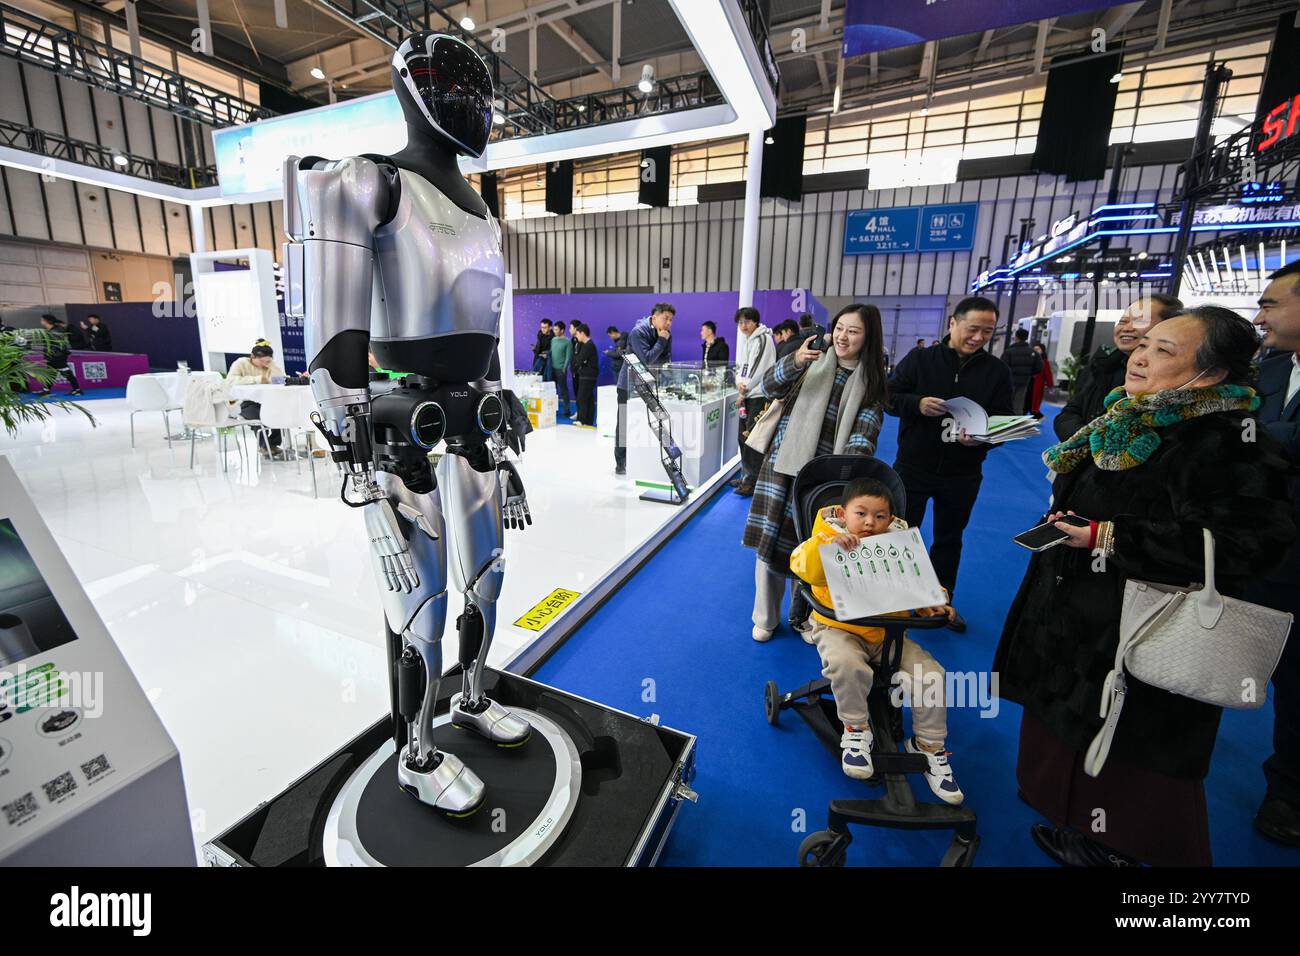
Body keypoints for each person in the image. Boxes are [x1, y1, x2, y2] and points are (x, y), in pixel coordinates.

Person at [996, 306, 1294, 867]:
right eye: (1146, 343)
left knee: (1132, 737)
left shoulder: (1226, 439)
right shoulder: (1130, 416)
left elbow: (1254, 541)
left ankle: (1120, 848)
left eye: (1164, 351)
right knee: (1069, 716)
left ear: (1208, 374)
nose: (1140, 355)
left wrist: (1112, 537)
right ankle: (1065, 807)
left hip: (1142, 621)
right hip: (1075, 610)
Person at [790, 477, 962, 802]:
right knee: (846, 665)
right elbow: (803, 568)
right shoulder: (826, 537)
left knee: (931, 676)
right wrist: (826, 546)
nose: (870, 522)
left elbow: (918, 580)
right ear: (844, 513)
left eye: (880, 516)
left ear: (889, 517)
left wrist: (936, 602)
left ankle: (929, 746)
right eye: (861, 513)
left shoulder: (897, 544)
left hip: (889, 635)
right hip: (839, 629)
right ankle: (856, 729)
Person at [742, 303, 888, 642]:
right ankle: (764, 617)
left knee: (812, 547)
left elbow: (864, 434)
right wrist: (794, 362)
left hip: (825, 478)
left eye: (853, 331)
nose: (843, 336)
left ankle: (803, 616)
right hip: (782, 464)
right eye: (840, 328)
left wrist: (843, 472)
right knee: (770, 544)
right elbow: (768, 385)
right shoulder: (810, 358)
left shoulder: (871, 383)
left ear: (868, 338)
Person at [886, 297, 1013, 633]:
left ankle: (939, 602)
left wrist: (983, 436)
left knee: (949, 539)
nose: (979, 337)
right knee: (899, 535)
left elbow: (1007, 421)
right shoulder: (920, 359)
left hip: (963, 472)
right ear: (953, 324)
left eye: (988, 331)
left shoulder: (996, 371)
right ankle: (894, 601)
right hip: (913, 465)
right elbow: (888, 397)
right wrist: (917, 404)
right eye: (973, 329)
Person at [1249, 260, 1300, 847]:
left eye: (1272, 303)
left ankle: (1288, 790)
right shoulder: (1271, 366)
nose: (1261, 316)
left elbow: (1242, 431)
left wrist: (1246, 435)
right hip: (1257, 547)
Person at [1054, 294, 1183, 440]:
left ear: (1169, 327)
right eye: (1123, 321)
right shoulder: (1102, 363)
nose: (1127, 328)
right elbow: (1069, 412)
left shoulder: (1172, 379)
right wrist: (1085, 443)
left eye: (1140, 321)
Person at [615, 304, 674, 475]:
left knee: (652, 421)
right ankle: (621, 462)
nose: (669, 323)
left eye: (671, 320)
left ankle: (644, 461)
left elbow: (665, 359)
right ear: (654, 318)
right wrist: (662, 340)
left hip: (648, 384)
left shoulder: (666, 333)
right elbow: (647, 360)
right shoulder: (638, 332)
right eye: (666, 318)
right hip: (628, 385)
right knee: (624, 423)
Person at [731, 307, 776, 496]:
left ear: (755, 322)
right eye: (740, 322)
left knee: (753, 440)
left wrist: (745, 388)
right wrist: (739, 384)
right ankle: (746, 476)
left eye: (747, 322)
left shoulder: (763, 338)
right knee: (743, 438)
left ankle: (753, 481)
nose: (743, 326)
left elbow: (758, 369)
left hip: (758, 396)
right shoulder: (748, 341)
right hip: (748, 395)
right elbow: (742, 367)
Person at [227, 343, 291, 458]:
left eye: (267, 361)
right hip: (245, 403)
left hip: (268, 401)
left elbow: (281, 379)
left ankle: (272, 444)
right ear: (253, 357)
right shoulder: (241, 363)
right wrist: (256, 379)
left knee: (280, 414)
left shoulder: (270, 365)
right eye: (262, 361)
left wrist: (272, 366)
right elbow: (230, 380)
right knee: (259, 416)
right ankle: (264, 446)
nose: (264, 364)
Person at [35, 315, 82, 396]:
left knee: (66, 372)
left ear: (47, 321)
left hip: (58, 356)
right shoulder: (50, 330)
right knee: (51, 373)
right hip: (52, 356)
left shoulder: (57, 331)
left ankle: (77, 390)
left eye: (42, 320)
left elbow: (57, 345)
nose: (41, 322)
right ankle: (46, 390)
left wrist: (51, 356)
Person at [1004, 328, 1038, 414]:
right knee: (1019, 403)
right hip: (1024, 381)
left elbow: (1003, 366)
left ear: (1016, 337)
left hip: (1009, 381)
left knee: (1006, 402)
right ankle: (1017, 423)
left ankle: (1005, 420)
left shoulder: (1009, 351)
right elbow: (1039, 367)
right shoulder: (1033, 352)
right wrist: (1030, 373)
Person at [572, 322, 600, 426]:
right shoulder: (588, 345)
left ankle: (582, 420)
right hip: (589, 375)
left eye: (577, 334)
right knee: (588, 398)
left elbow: (579, 360)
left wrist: (580, 362)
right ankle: (588, 421)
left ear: (582, 333)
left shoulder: (588, 346)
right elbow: (581, 360)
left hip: (587, 375)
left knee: (582, 398)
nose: (576, 336)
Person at [550, 320, 572, 417]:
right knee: (552, 390)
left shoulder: (567, 342)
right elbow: (551, 352)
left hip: (561, 370)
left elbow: (568, 356)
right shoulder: (553, 340)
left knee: (563, 390)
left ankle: (567, 410)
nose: (554, 331)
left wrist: (564, 368)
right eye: (554, 329)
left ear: (562, 330)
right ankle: (552, 409)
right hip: (552, 369)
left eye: (556, 329)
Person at [1027, 342, 1053, 418]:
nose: (1035, 350)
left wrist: (1050, 385)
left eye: (1037, 349)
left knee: (1035, 400)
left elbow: (1048, 374)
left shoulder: (1044, 361)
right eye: (1034, 349)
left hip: (1038, 384)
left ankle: (1036, 414)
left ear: (1042, 351)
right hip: (1029, 383)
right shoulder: (1030, 359)